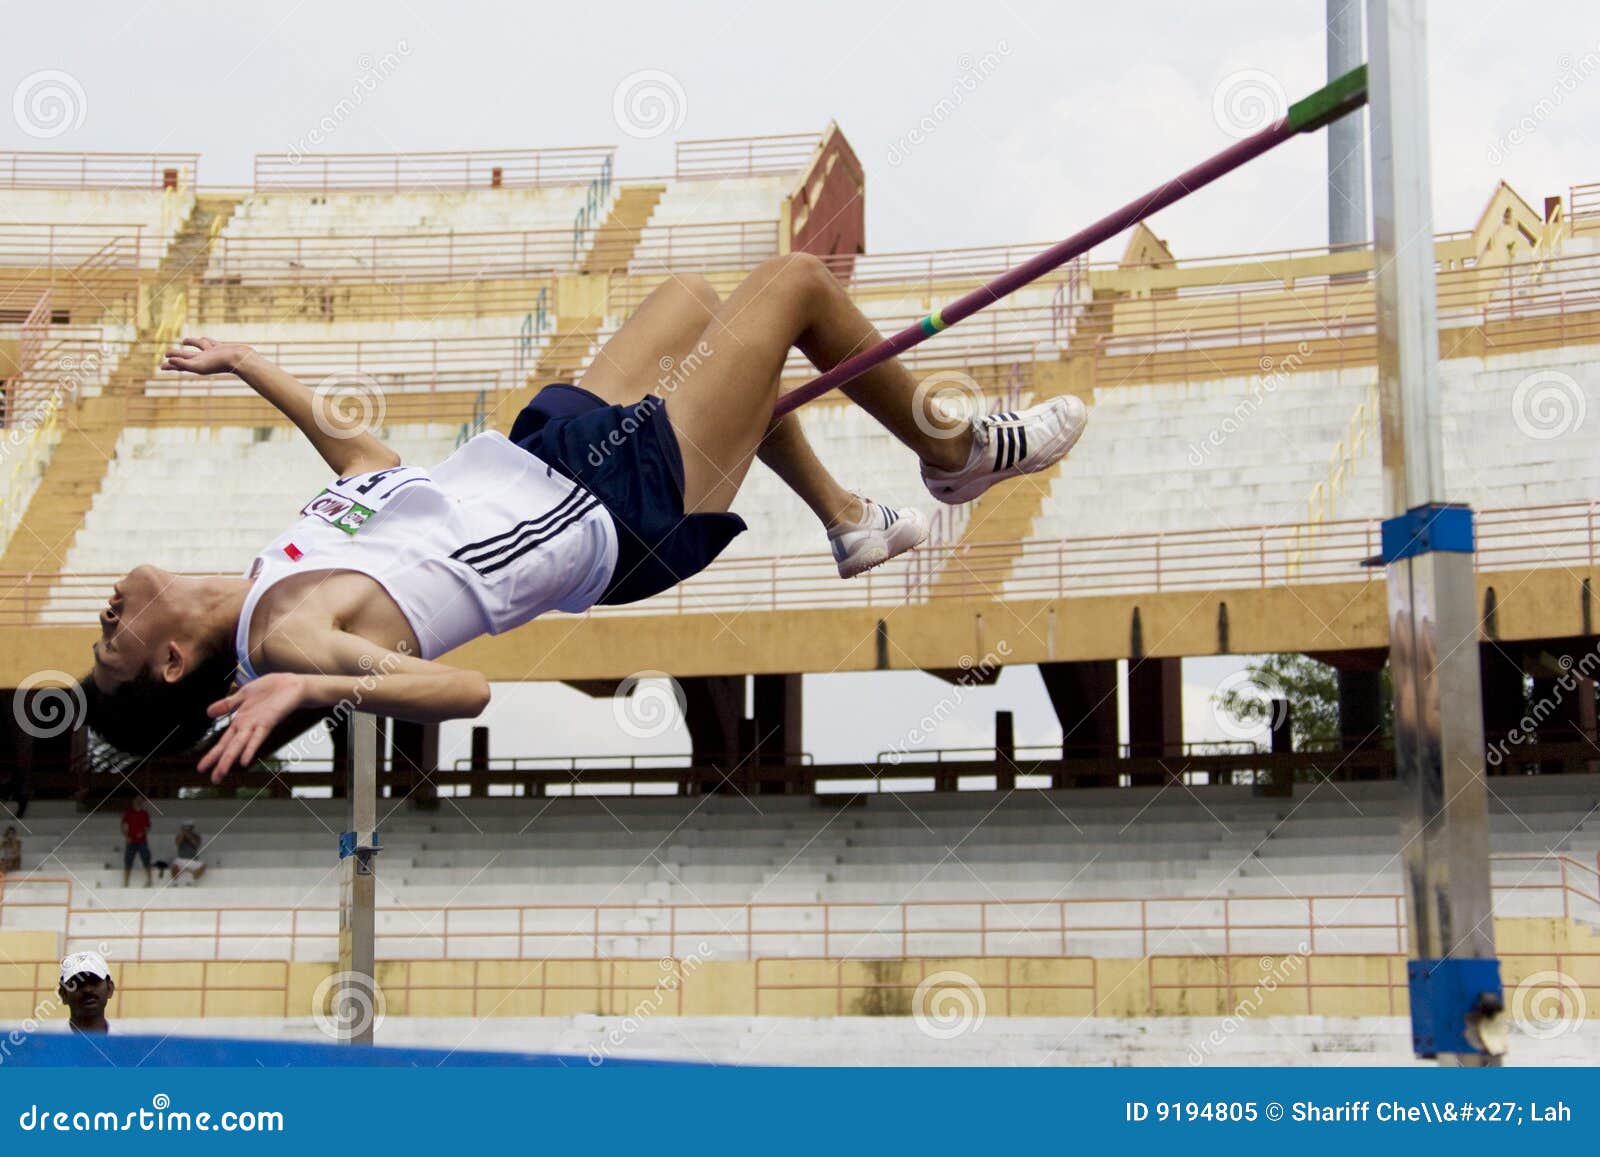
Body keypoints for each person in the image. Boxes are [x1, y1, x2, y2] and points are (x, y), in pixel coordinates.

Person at [81, 259, 1089, 779]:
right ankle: (953, 456)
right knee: (794, 287)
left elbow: (370, 461)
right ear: (174, 664)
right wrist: (310, 680)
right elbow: (466, 687)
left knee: (697, 304)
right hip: (610, 510)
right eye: (114, 643)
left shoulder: (275, 573)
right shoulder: (289, 635)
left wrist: (250, 365)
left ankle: (844, 518)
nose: (106, 615)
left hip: (539, 452)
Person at [58, 949, 114, 1034]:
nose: (88, 990)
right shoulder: (47, 1046)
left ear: (109, 988)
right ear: (63, 994)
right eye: (77, 983)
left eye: (94, 981)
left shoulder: (127, 1046)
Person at [120, 800, 152, 888]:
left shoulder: (144, 813)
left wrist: (143, 833)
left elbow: (148, 827)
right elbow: (123, 825)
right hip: (131, 841)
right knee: (128, 861)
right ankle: (126, 883)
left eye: (139, 802)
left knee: (146, 859)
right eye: (136, 802)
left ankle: (149, 880)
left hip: (142, 841)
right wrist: (127, 837)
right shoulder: (129, 813)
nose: (138, 803)